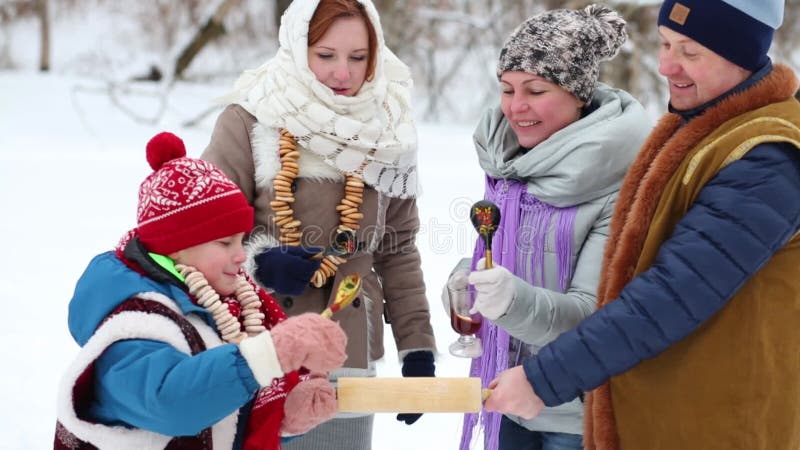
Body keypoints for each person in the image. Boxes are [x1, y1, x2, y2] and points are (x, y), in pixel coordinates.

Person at [479, 1, 800, 449]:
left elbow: (672, 294)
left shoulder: (767, 157)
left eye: (690, 51)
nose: (666, 65)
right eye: (666, 44)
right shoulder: (703, 130)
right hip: (671, 418)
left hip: (727, 424)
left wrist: (544, 377)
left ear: (741, 53)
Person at [201, 0, 436, 448]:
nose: (342, 74)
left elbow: (398, 251)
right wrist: (257, 262)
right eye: (325, 55)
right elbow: (201, 234)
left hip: (347, 355)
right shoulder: (250, 119)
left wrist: (417, 347)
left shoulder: (390, 131)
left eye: (358, 57)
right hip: (259, 348)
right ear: (296, 48)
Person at [55, 132, 347, 450]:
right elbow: (172, 404)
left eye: (241, 240)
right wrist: (270, 353)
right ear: (175, 248)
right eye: (224, 243)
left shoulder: (227, 303)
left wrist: (288, 416)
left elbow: (225, 410)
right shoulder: (135, 323)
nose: (241, 255)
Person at [448, 5, 651, 450]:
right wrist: (471, 278)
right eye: (506, 89)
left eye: (536, 90)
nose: (516, 107)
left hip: (577, 416)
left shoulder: (618, 184)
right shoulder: (511, 166)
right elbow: (521, 264)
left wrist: (508, 299)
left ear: (578, 94)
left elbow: (589, 317)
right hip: (503, 395)